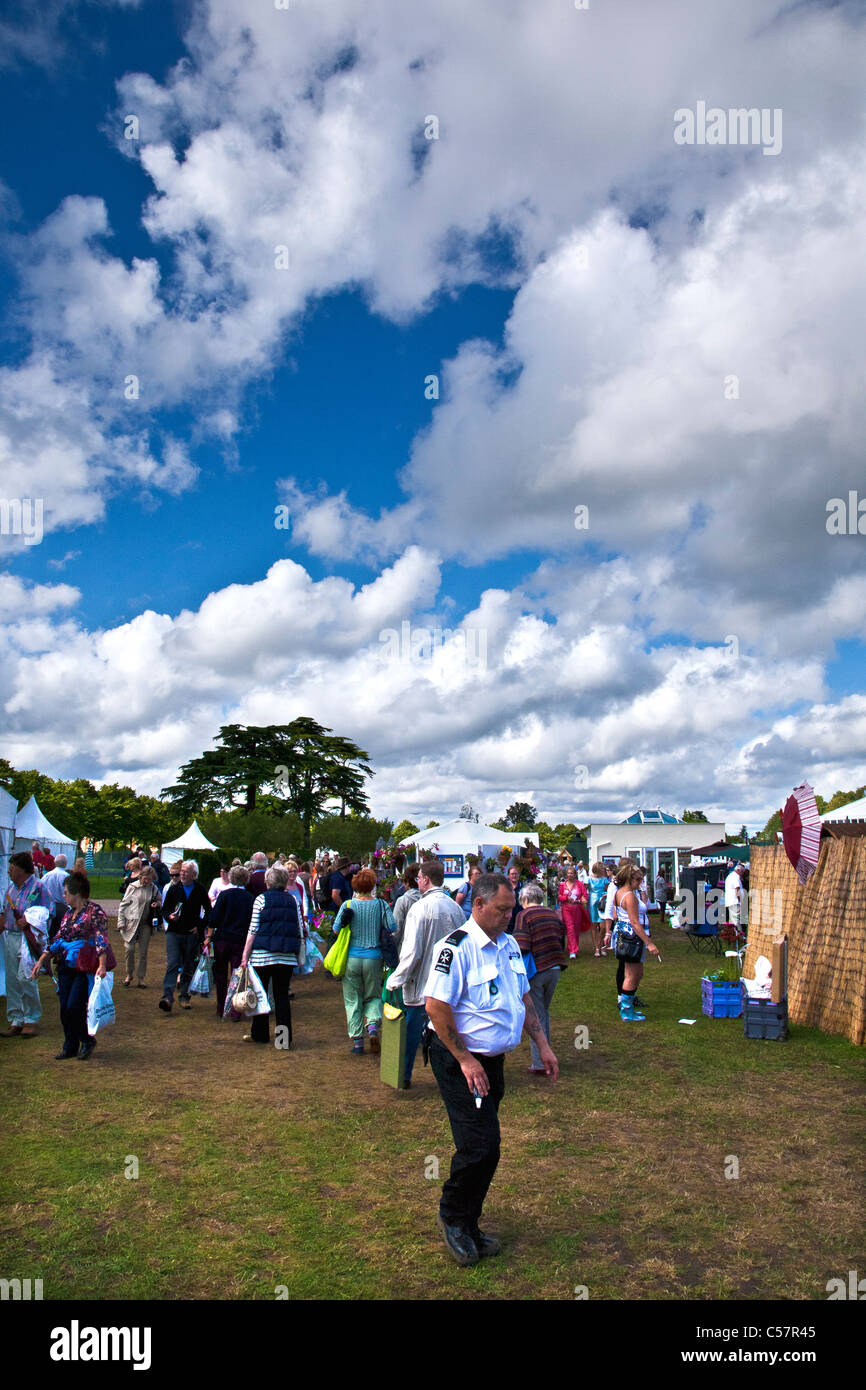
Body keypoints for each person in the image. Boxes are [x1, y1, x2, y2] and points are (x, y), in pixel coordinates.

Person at [423, 873, 558, 1266]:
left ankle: (470, 1222)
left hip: (492, 1061)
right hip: (459, 1060)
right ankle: (453, 1219)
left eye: (512, 909)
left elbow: (524, 998)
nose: (509, 916)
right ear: (478, 905)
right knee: (481, 1145)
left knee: (486, 1147)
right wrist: (465, 1060)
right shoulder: (456, 948)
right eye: (501, 909)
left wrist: (543, 1045)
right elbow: (435, 1007)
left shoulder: (510, 946)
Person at [387, 859, 465, 1088]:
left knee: (411, 1033)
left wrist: (395, 979)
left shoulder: (419, 909)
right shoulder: (456, 908)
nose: (418, 881)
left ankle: (404, 1075)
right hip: (448, 982)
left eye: (419, 877)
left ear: (426, 880)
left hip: (421, 982)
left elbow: (411, 952)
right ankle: (454, 1072)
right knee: (448, 1031)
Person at [31, 871, 110, 1060]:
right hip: (66, 966)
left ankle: (87, 1039)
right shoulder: (68, 913)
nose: (63, 895)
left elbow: (101, 939)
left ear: (76, 893)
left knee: (74, 1006)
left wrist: (102, 965)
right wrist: (42, 959)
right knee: (64, 1007)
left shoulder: (95, 912)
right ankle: (70, 1045)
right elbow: (59, 938)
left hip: (84, 967)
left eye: (66, 892)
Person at [332, 867, 395, 1055]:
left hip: (352, 956)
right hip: (374, 957)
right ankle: (373, 1026)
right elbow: (392, 926)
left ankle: (358, 1041)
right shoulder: (381, 905)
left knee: (352, 999)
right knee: (373, 996)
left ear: (356, 886)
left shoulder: (348, 905)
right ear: (373, 885)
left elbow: (336, 929)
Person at [240, 864, 303, 1045]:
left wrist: (245, 955)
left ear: (268, 882)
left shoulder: (261, 899)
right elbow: (299, 929)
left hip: (262, 955)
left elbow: (253, 930)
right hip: (285, 956)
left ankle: (259, 1035)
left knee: (261, 995)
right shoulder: (293, 901)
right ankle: (283, 1040)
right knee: (282, 996)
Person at [513, 882, 567, 1074]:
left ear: (525, 899)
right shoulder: (552, 914)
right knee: (543, 1010)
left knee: (536, 1014)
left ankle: (540, 1062)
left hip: (536, 969)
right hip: (555, 967)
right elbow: (562, 938)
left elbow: (522, 946)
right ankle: (544, 1055)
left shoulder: (524, 915)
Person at [1, 851, 50, 1037]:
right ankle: (16, 1019)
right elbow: (4, 914)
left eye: (11, 868)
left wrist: (29, 921)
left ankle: (31, 1018)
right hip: (11, 936)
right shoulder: (10, 889)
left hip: (27, 939)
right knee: (12, 979)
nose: (9, 872)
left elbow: (47, 912)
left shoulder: (38, 887)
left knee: (26, 977)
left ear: (22, 869)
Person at [605, 862, 659, 1021]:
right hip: (632, 938)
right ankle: (626, 1011)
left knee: (636, 973)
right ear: (630, 879)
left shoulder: (620, 893)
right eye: (638, 880)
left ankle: (628, 1006)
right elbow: (635, 922)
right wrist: (649, 943)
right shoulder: (629, 897)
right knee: (631, 975)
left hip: (623, 935)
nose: (640, 883)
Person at [159, 861, 210, 1013]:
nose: (182, 874)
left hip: (191, 934)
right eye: (181, 871)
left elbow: (209, 910)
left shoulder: (200, 890)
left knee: (188, 966)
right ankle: (167, 997)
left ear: (194, 874)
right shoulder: (174, 889)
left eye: (186, 871)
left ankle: (184, 996)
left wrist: (200, 926)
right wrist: (169, 917)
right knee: (173, 963)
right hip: (174, 932)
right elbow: (164, 910)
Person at [205, 865, 254, 1019]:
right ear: (246, 879)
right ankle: (235, 1010)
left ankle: (220, 1007)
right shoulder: (249, 898)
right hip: (240, 940)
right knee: (237, 975)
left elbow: (213, 918)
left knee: (220, 975)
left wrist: (209, 935)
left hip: (222, 940)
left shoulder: (224, 895)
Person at [117, 863, 162, 988]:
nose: (147, 881)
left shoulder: (153, 888)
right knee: (129, 949)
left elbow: (160, 900)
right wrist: (121, 922)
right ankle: (128, 974)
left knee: (143, 952)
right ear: (141, 876)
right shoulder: (132, 887)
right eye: (145, 879)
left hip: (146, 925)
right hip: (131, 923)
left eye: (150, 879)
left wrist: (157, 904)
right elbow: (123, 905)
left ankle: (141, 978)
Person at [558, 863, 590, 958]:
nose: (570, 875)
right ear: (566, 874)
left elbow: (585, 895)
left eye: (572, 873)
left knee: (576, 929)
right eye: (568, 873)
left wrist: (583, 899)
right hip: (566, 908)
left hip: (577, 909)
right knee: (570, 928)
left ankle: (572, 948)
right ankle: (573, 950)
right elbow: (559, 897)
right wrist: (566, 898)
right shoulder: (562, 885)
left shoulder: (579, 884)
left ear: (575, 874)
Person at [392, 863, 421, 951]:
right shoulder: (429, 899)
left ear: (407, 883)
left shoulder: (403, 901)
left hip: (407, 947)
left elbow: (396, 928)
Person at [41, 853, 70, 939]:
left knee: (49, 932)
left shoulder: (46, 876)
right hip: (63, 907)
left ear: (55, 863)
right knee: (60, 933)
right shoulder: (67, 876)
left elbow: (39, 891)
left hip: (48, 907)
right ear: (65, 864)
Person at [587, 861, 610, 957]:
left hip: (602, 902)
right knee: (594, 925)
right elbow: (586, 890)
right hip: (592, 902)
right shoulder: (589, 879)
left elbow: (607, 889)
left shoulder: (604, 879)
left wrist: (605, 895)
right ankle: (597, 947)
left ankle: (601, 945)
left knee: (603, 926)